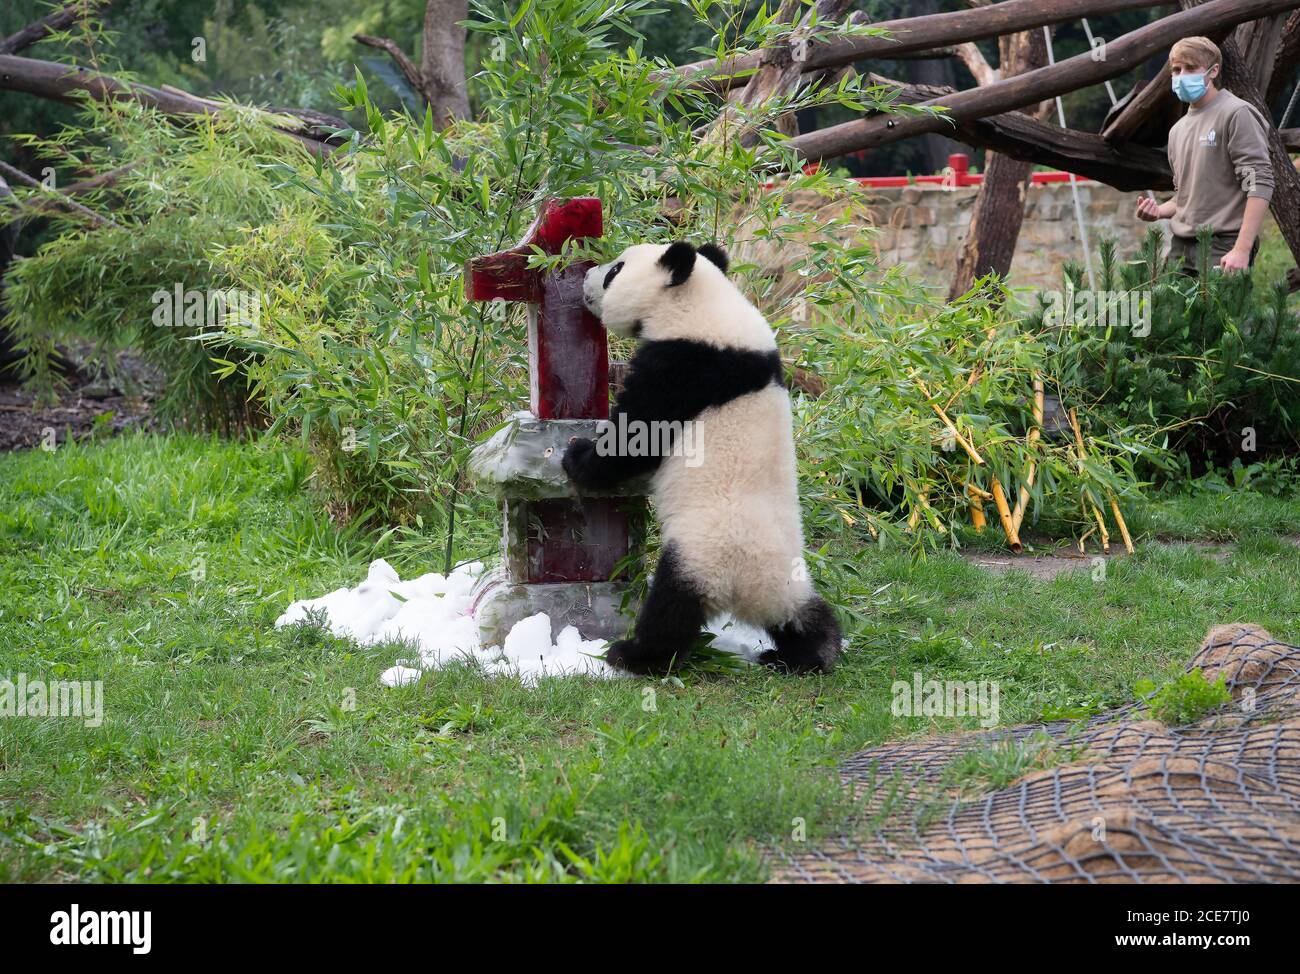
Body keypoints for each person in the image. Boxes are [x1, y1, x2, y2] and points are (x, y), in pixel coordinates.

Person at [1135, 36, 1274, 275]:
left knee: (1221, 313)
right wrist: (1159, 211)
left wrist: (1242, 248)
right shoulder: (1177, 130)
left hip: (1223, 244)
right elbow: (1184, 198)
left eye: (1191, 68)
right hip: (1181, 245)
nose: (1181, 76)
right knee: (1167, 312)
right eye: (1176, 70)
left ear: (1213, 71)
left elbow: (1260, 183)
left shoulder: (1237, 113)